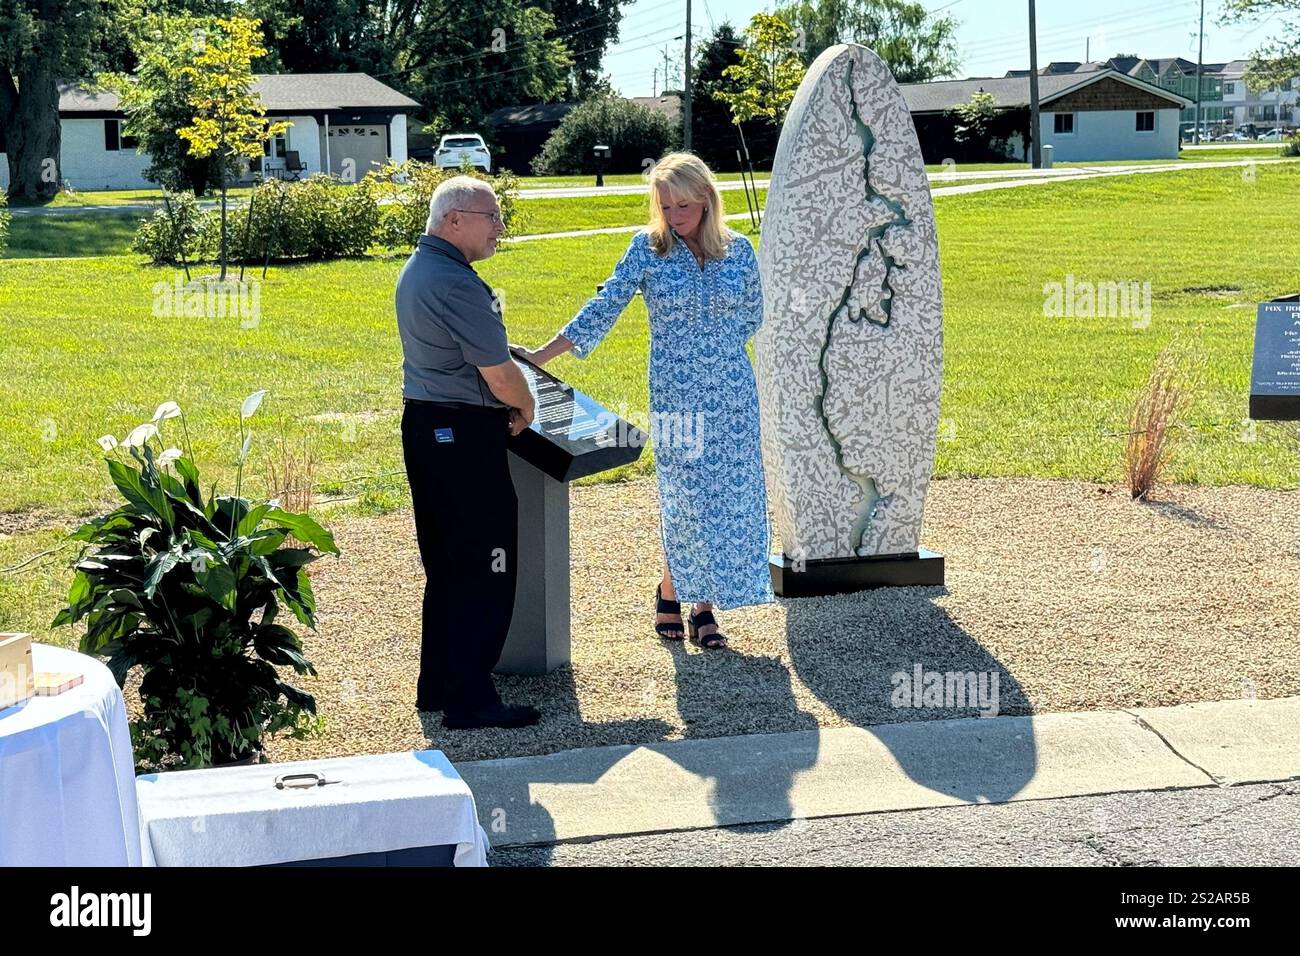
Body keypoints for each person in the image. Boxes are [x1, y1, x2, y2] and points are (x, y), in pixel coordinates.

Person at [515, 153, 774, 649]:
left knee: (729, 494)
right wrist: (546, 352)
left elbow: (753, 313)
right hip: (675, 393)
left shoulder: (738, 251)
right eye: (665, 205)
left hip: (733, 392)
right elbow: (606, 303)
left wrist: (713, 349)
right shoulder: (647, 249)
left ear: (706, 201)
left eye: (683, 205)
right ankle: (674, 591)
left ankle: (704, 607)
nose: (674, 215)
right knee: (685, 493)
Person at [395, 175, 540, 729]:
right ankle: (472, 699)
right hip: (462, 436)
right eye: (492, 216)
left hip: (430, 428)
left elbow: (472, 349)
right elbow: (499, 377)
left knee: (449, 566)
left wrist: (503, 351)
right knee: (485, 565)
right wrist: (525, 407)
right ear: (455, 220)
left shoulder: (422, 268)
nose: (499, 227)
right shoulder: (456, 282)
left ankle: (440, 685)